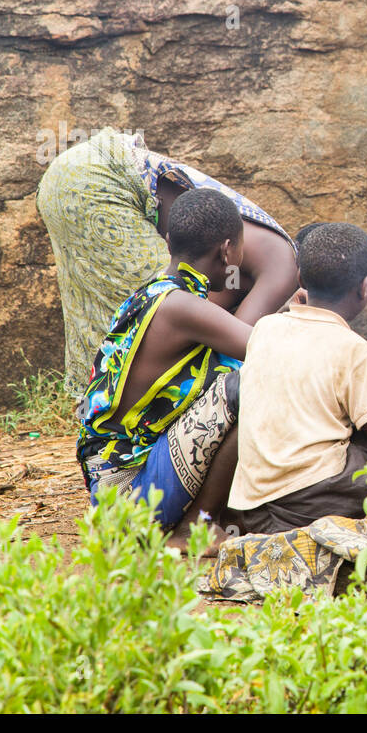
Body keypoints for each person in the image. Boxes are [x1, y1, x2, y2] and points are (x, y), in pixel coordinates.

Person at [38, 127, 298, 395]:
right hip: (97, 182)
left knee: (137, 322)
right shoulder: (282, 269)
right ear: (226, 251)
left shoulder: (240, 263)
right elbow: (233, 351)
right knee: (151, 321)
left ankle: (109, 411)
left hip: (76, 172)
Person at [227, 223, 367, 535]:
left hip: (254, 512)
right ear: (365, 287)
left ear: (300, 279)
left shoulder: (265, 329)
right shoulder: (355, 350)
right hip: (315, 508)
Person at [76, 188, 253, 555]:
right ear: (227, 251)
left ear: (169, 241)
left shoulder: (153, 293)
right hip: (129, 496)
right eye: (240, 247)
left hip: (113, 487)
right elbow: (269, 348)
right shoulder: (181, 306)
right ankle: (196, 528)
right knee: (249, 387)